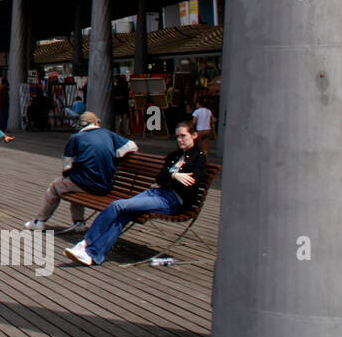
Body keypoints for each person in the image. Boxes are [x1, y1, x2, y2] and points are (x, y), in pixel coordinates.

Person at [65, 122, 207, 265]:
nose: (180, 140)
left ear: (194, 135)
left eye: (183, 136)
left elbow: (188, 186)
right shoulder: (175, 155)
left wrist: (168, 177)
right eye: (177, 136)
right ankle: (93, 255)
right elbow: (160, 177)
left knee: (117, 206)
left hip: (171, 200)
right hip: (155, 192)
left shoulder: (198, 158)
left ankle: (85, 243)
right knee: (124, 213)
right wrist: (174, 176)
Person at [25, 110, 137, 233]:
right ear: (97, 122)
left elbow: (67, 166)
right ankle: (78, 222)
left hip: (86, 184)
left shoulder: (76, 138)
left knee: (55, 187)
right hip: (105, 185)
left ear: (81, 125)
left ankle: (39, 221)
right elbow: (132, 146)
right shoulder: (108, 134)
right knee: (74, 184)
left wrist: (69, 174)